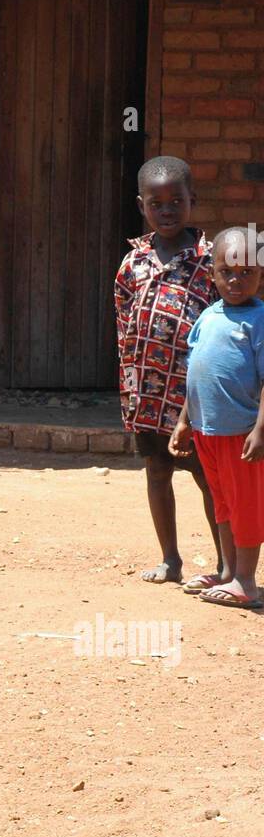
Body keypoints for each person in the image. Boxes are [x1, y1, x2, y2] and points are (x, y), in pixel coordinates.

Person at [114, 155, 219, 588]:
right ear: (142, 206)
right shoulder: (132, 263)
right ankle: (170, 559)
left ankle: (228, 564)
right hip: (147, 395)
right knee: (156, 471)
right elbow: (123, 324)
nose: (168, 210)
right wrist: (129, 384)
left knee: (207, 477)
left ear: (193, 201)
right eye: (157, 204)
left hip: (195, 397)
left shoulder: (211, 262)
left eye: (177, 200)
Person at [169, 227, 264, 608]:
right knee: (222, 503)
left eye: (247, 272)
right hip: (208, 431)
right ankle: (227, 572)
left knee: (246, 507)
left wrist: (261, 428)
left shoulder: (258, 320)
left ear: (261, 274)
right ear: (212, 274)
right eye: (227, 271)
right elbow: (195, 374)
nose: (236, 280)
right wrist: (183, 421)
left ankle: (247, 581)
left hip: (241, 434)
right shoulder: (208, 316)